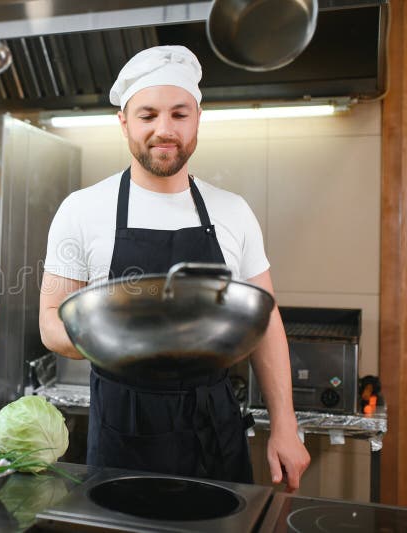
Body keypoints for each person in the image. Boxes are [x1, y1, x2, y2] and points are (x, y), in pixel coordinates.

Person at [39, 45, 310, 489]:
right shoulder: (81, 210)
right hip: (124, 430)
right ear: (124, 122)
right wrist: (120, 341)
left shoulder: (233, 211)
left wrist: (285, 424)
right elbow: (51, 324)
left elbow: (266, 320)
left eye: (179, 114)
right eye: (147, 115)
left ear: (198, 118)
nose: (164, 130)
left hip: (215, 427)